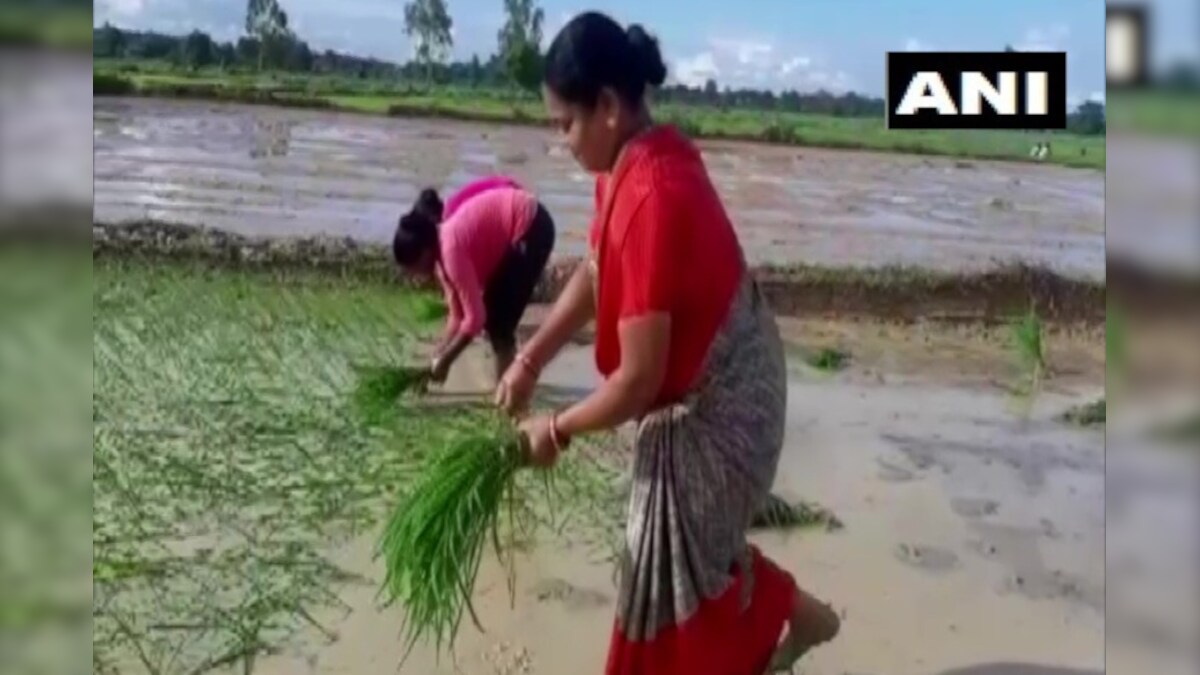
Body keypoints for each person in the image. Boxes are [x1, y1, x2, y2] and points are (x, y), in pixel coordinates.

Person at [493, 11, 840, 675]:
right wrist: (531, 360)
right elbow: (597, 270)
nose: (562, 142)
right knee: (663, 548)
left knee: (669, 560)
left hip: (733, 405)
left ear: (608, 107)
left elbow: (638, 381)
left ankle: (787, 610)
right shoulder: (624, 166)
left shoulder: (652, 193)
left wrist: (556, 430)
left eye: (565, 124)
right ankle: (796, 612)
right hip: (705, 384)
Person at [392, 180, 556, 384]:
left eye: (412, 268)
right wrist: (440, 351)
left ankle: (507, 390)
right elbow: (457, 315)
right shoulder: (441, 259)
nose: (413, 276)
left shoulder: (450, 251)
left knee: (499, 324)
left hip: (532, 225)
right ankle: (509, 382)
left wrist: (447, 360)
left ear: (424, 253)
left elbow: (475, 319)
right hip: (519, 224)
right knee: (495, 317)